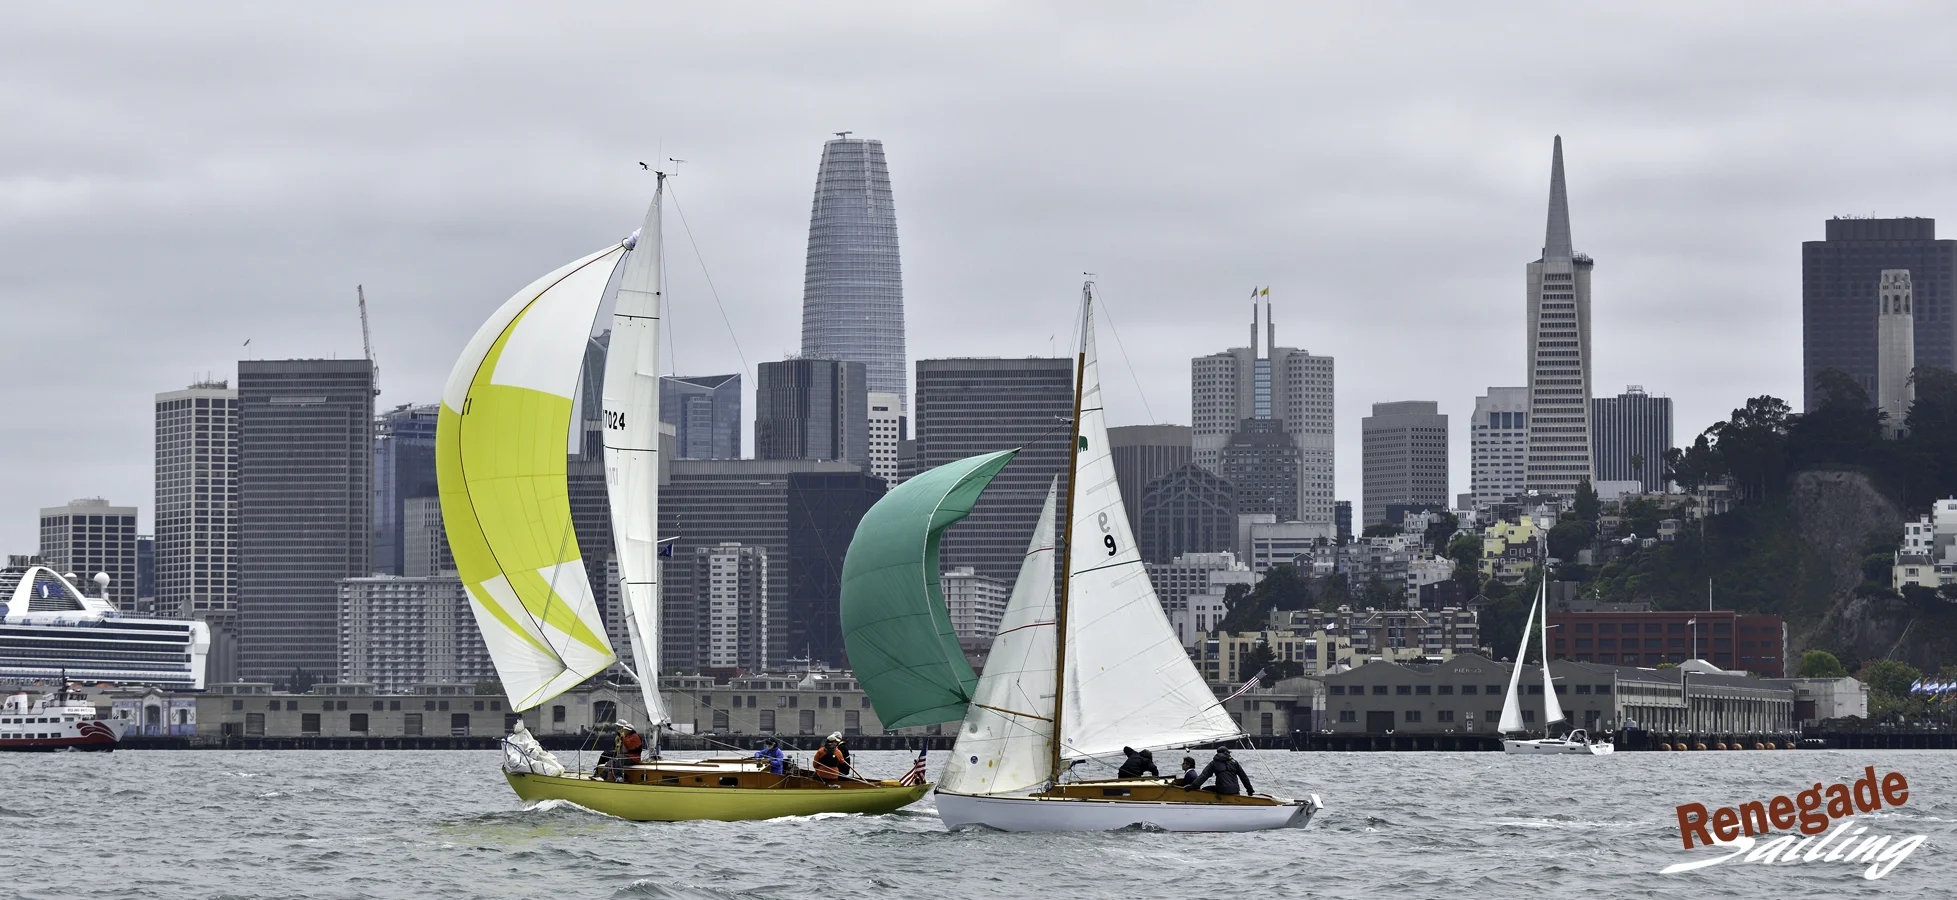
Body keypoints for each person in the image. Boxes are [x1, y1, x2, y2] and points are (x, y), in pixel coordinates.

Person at [1187, 747, 1254, 796]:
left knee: (1205, 789)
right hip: (1235, 790)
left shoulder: (1213, 763)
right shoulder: (1234, 762)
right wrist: (1250, 790)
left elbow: (1203, 776)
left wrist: (1192, 786)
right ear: (1226, 753)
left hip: (1222, 790)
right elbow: (1244, 777)